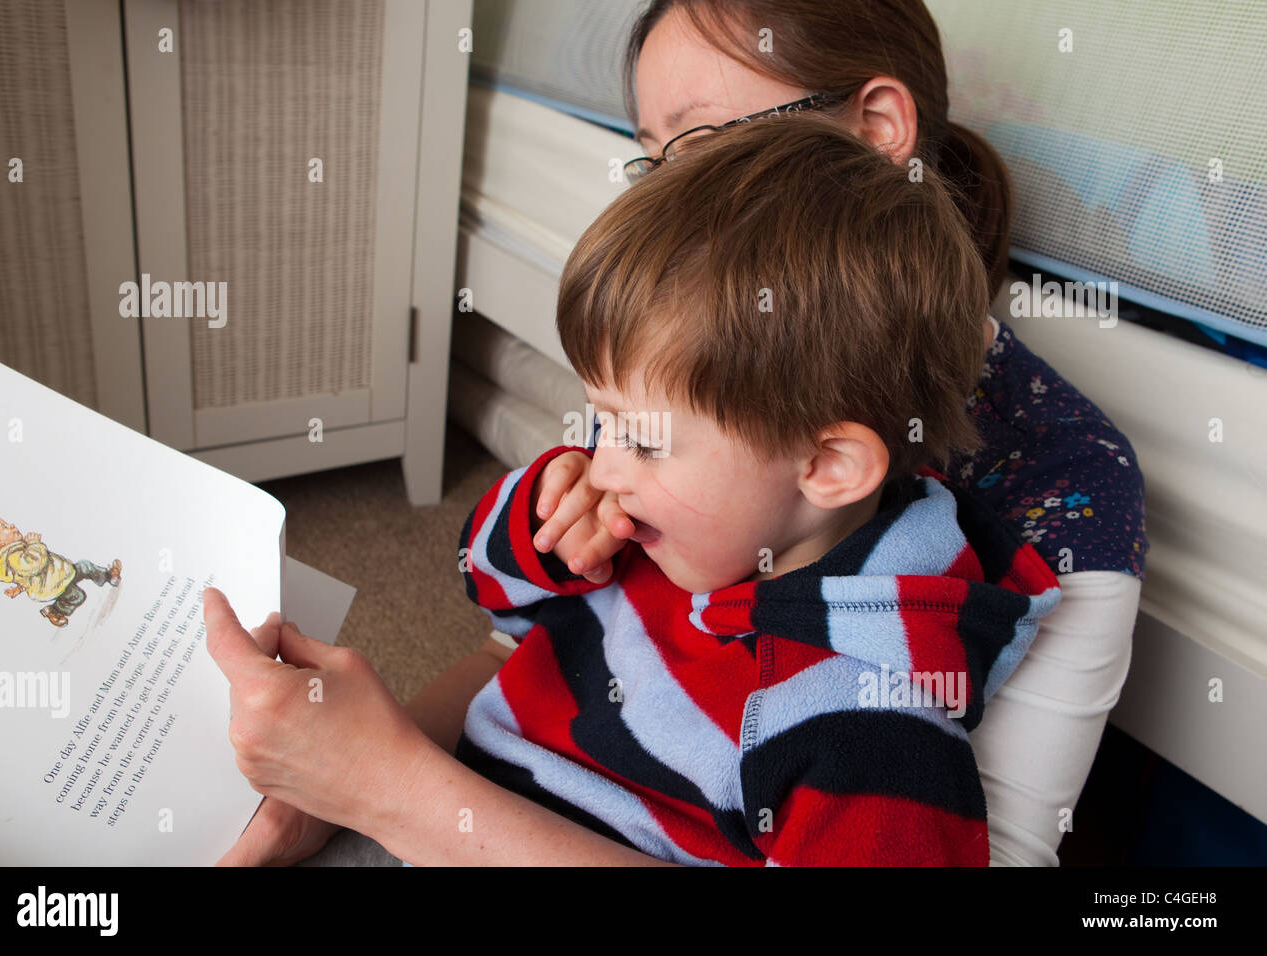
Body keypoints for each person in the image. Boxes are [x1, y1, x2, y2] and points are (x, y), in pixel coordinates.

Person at [206, 111, 1060, 865]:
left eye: (643, 437)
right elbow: (485, 584)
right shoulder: (684, 531)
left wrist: (386, 787)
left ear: (828, 467)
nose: (602, 464)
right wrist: (543, 510)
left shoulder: (867, 725)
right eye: (599, 418)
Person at [559, 0, 1147, 865]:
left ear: (876, 127)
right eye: (652, 161)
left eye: (701, 146)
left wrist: (398, 789)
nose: (670, 194)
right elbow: (543, 659)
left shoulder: (1064, 481)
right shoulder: (673, 360)